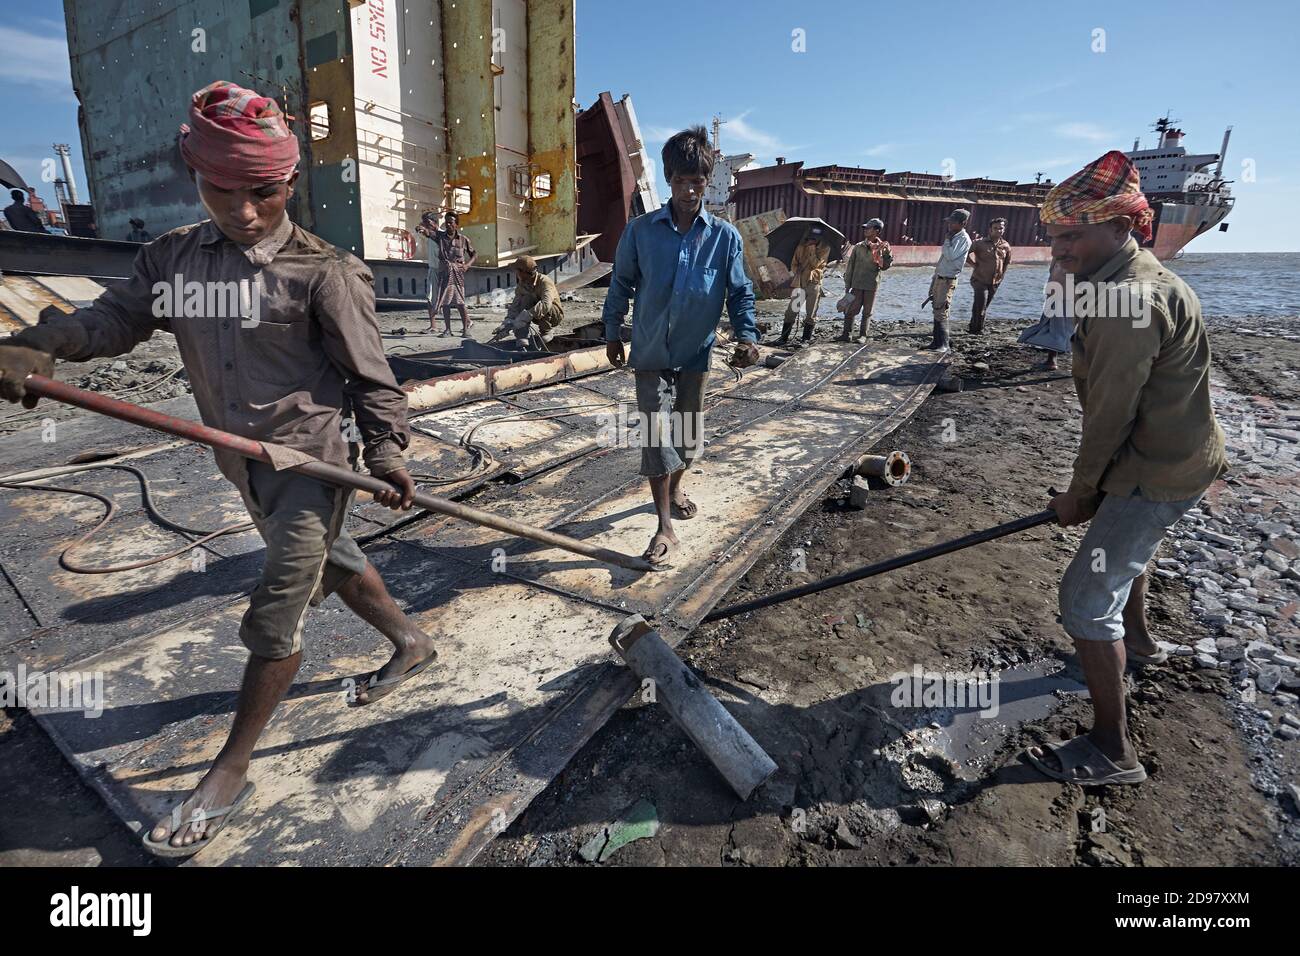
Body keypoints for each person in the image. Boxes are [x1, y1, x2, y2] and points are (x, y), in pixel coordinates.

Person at [0, 81, 437, 856]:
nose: (242, 211)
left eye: (262, 193)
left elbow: (374, 382)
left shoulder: (324, 272)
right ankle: (411, 641)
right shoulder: (172, 258)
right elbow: (115, 320)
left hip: (311, 466)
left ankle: (231, 768)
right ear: (194, 176)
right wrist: (46, 345)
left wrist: (389, 452)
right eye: (220, 190)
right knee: (333, 567)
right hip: (240, 465)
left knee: (277, 612)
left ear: (290, 182)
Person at [1024, 150, 1228, 787]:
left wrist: (1080, 495)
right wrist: (1094, 494)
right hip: (1175, 455)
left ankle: (1113, 751)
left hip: (1155, 470)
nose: (1059, 251)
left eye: (1072, 236)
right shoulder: (1144, 277)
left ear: (1123, 227)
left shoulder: (1125, 301)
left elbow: (1109, 417)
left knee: (1084, 598)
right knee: (1124, 555)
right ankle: (1136, 645)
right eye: (1054, 237)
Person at [602, 125, 760, 568]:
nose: (689, 190)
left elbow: (740, 291)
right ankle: (663, 525)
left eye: (697, 181)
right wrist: (612, 330)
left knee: (688, 434)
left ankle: (676, 485)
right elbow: (621, 283)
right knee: (655, 432)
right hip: (651, 350)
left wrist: (747, 336)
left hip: (696, 353)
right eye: (680, 181)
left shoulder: (725, 237)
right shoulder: (641, 232)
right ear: (668, 180)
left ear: (707, 183)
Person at [838, 218, 893, 343]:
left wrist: (886, 253)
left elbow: (885, 267)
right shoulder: (858, 247)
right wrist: (847, 284)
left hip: (871, 284)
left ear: (877, 231)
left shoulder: (883, 247)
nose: (865, 230)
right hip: (856, 284)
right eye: (866, 228)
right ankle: (846, 334)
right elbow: (850, 266)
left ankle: (863, 335)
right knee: (850, 309)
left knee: (867, 311)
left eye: (869, 228)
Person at [493, 255, 563, 348]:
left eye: (517, 271)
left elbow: (546, 304)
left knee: (542, 304)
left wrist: (526, 316)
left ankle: (546, 331)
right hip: (535, 316)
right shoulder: (522, 284)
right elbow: (516, 304)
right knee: (525, 299)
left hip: (553, 315)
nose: (516, 273)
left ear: (523, 272)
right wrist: (507, 323)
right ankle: (522, 336)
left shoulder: (544, 281)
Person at [925, 209, 971, 351]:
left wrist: (946, 240)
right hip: (940, 277)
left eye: (953, 222)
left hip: (948, 279)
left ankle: (943, 344)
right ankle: (936, 342)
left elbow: (950, 255)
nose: (949, 225)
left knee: (942, 310)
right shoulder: (954, 236)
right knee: (936, 308)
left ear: (963, 223)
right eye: (949, 222)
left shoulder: (962, 239)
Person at [427, 210, 476, 337]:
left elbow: (474, 254)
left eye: (451, 223)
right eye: (447, 223)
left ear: (456, 225)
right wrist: (421, 228)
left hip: (458, 274)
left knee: (460, 302)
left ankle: (466, 329)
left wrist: (467, 265)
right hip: (445, 273)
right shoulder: (440, 237)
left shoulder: (463, 239)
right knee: (446, 302)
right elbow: (428, 233)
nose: (448, 225)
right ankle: (448, 330)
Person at [780, 227, 830, 344]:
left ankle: (805, 340)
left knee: (810, 313)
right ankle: (783, 338)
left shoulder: (825, 249)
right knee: (791, 312)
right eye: (809, 238)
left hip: (813, 284)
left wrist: (812, 249)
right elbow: (794, 263)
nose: (810, 240)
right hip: (799, 282)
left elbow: (816, 264)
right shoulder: (801, 247)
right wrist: (797, 270)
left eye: (813, 239)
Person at [1018, 258, 1071, 369]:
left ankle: (1052, 360)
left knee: (1056, 327)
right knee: (1060, 326)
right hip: (1063, 292)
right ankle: (1054, 360)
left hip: (1063, 293)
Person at [966, 217, 1010, 333]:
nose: (998, 231)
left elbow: (1006, 263)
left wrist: (1002, 276)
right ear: (990, 229)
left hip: (995, 281)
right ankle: (978, 330)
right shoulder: (979, 243)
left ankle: (973, 326)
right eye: (995, 228)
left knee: (983, 306)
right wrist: (975, 266)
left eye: (1001, 228)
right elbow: (965, 255)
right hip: (979, 279)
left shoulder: (1006, 246)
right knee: (980, 305)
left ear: (1004, 229)